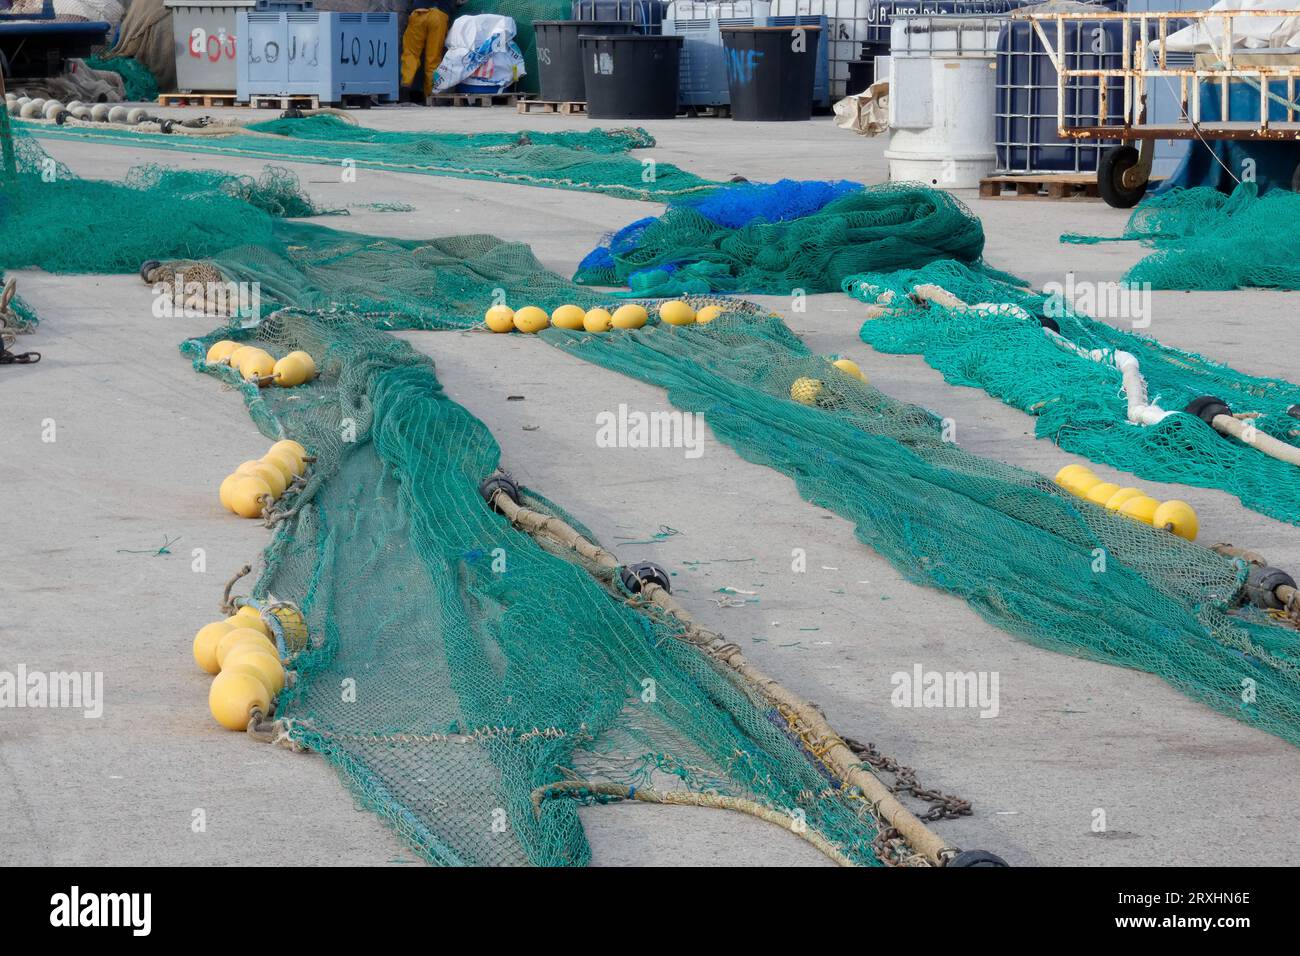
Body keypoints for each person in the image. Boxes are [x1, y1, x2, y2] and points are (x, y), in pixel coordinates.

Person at [400, 0, 459, 103]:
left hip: (419, 12)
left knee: (411, 54)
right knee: (433, 58)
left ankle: (405, 90)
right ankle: (430, 96)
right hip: (439, 15)